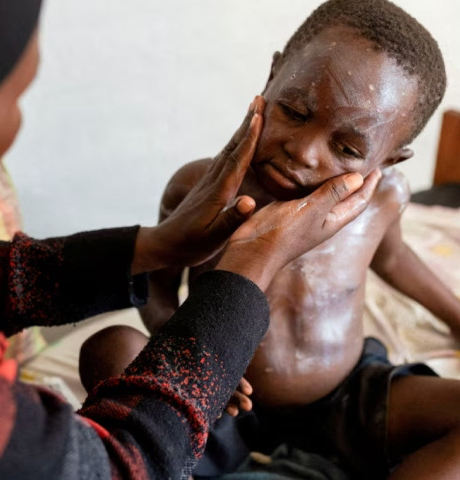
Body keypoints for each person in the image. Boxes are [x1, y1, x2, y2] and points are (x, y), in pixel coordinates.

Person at [0, 1, 381, 478]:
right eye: (16, 99)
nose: (307, 154)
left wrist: (157, 245)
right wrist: (246, 275)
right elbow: (119, 466)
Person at [79, 1, 460, 479]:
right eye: (295, 111)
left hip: (342, 395)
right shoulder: (202, 189)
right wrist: (184, 353)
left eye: (346, 149)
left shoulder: (382, 200)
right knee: (110, 347)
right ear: (274, 74)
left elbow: (396, 257)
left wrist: (456, 316)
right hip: (216, 395)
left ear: (389, 161)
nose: (302, 151)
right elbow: (155, 288)